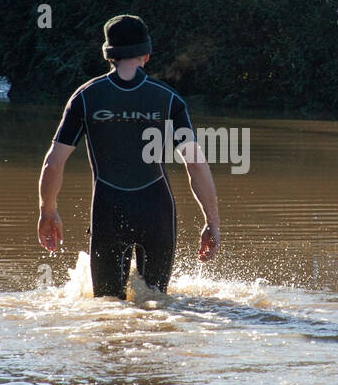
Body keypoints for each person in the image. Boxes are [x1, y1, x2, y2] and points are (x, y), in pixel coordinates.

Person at [37, 15, 221, 299]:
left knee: (107, 307)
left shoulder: (86, 97)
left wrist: (47, 210)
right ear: (146, 55)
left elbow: (53, 162)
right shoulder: (168, 99)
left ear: (108, 54)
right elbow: (195, 164)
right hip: (157, 212)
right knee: (156, 305)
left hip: (108, 212)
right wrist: (212, 222)